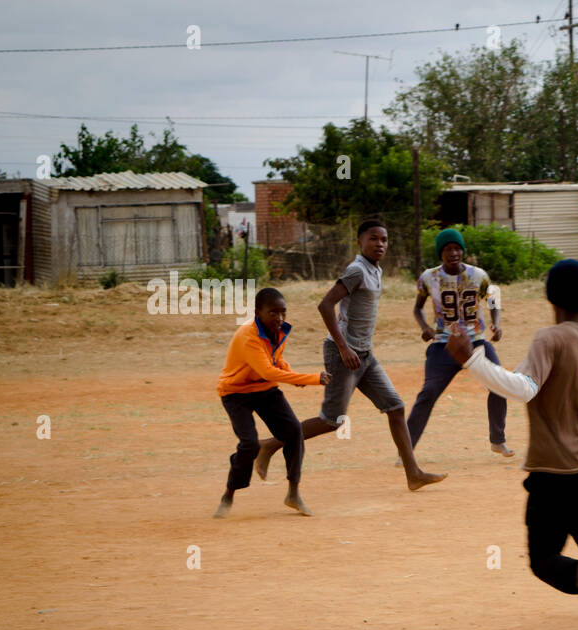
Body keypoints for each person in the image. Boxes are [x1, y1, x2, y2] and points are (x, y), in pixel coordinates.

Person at [443, 259, 578, 624]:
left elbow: (522, 389)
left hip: (555, 468)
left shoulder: (549, 339)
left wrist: (469, 358)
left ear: (552, 297)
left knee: (544, 559)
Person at [254, 219, 446, 491]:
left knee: (396, 407)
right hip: (343, 354)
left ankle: (413, 474)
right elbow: (325, 304)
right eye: (373, 238)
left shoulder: (374, 270)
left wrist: (355, 349)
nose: (380, 244)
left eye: (384, 240)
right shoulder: (357, 270)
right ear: (360, 241)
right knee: (331, 421)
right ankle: (270, 445)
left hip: (364, 355)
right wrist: (344, 347)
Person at [215, 287, 330, 518]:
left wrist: (290, 372)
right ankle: (229, 493)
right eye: (273, 312)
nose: (279, 318)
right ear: (258, 312)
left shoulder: (279, 330)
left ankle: (293, 493)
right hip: (235, 392)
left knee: (294, 431)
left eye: (283, 312)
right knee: (249, 444)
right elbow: (268, 371)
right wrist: (313, 378)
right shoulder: (249, 335)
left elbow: (276, 360)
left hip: (264, 390)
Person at [407, 228, 513, 458]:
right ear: (440, 253)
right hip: (443, 343)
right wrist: (424, 327)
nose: (453, 253)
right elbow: (417, 308)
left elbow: (493, 301)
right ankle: (406, 448)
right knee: (428, 392)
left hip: (476, 341)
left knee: (500, 385)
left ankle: (498, 440)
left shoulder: (479, 275)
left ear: (463, 250)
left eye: (457, 248)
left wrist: (496, 324)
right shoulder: (429, 277)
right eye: (447, 249)